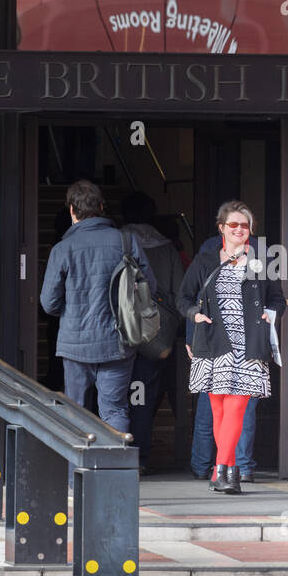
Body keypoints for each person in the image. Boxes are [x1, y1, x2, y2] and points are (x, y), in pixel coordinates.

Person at [179, 201, 285, 494]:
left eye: (245, 225)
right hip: (214, 341)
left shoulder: (260, 261)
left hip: (249, 343)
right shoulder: (205, 260)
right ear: (221, 228)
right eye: (233, 225)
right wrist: (195, 315)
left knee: (237, 407)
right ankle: (224, 471)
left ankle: (224, 471)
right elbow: (184, 297)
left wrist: (270, 314)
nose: (240, 229)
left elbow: (277, 299)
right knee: (219, 412)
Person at [40, 180, 155, 435]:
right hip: (118, 342)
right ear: (102, 207)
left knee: (76, 410)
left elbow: (48, 303)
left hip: (75, 345)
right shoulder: (126, 241)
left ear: (71, 210)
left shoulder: (62, 249)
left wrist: (72, 314)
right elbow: (150, 289)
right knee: (114, 409)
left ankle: (77, 474)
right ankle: (113, 473)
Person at [186, 233, 261, 484]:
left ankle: (209, 466)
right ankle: (237, 466)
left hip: (222, 341)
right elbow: (196, 297)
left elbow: (199, 296)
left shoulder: (255, 254)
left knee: (220, 409)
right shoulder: (255, 253)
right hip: (223, 341)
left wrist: (191, 338)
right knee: (229, 410)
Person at [122, 192, 185, 473]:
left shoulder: (118, 241)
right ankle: (141, 456)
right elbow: (179, 291)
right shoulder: (167, 248)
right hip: (154, 330)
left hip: (121, 328)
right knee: (143, 396)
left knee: (113, 394)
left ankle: (115, 453)